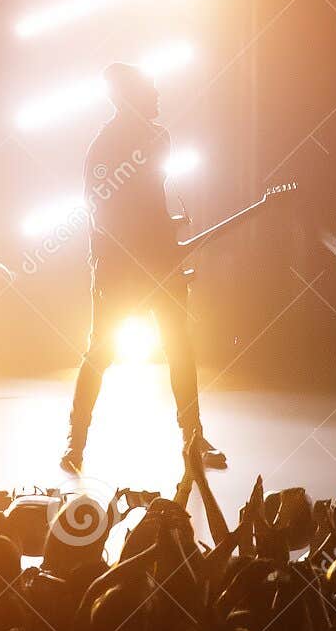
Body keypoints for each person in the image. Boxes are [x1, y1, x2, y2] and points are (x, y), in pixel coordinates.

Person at [61, 62, 224, 475]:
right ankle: (75, 444)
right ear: (128, 98)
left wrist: (168, 239)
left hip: (158, 263)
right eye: (149, 90)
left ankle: (193, 437)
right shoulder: (104, 146)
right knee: (101, 352)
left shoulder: (159, 138)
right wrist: (132, 255)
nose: (157, 96)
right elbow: (99, 210)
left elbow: (149, 202)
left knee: (179, 348)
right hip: (119, 268)